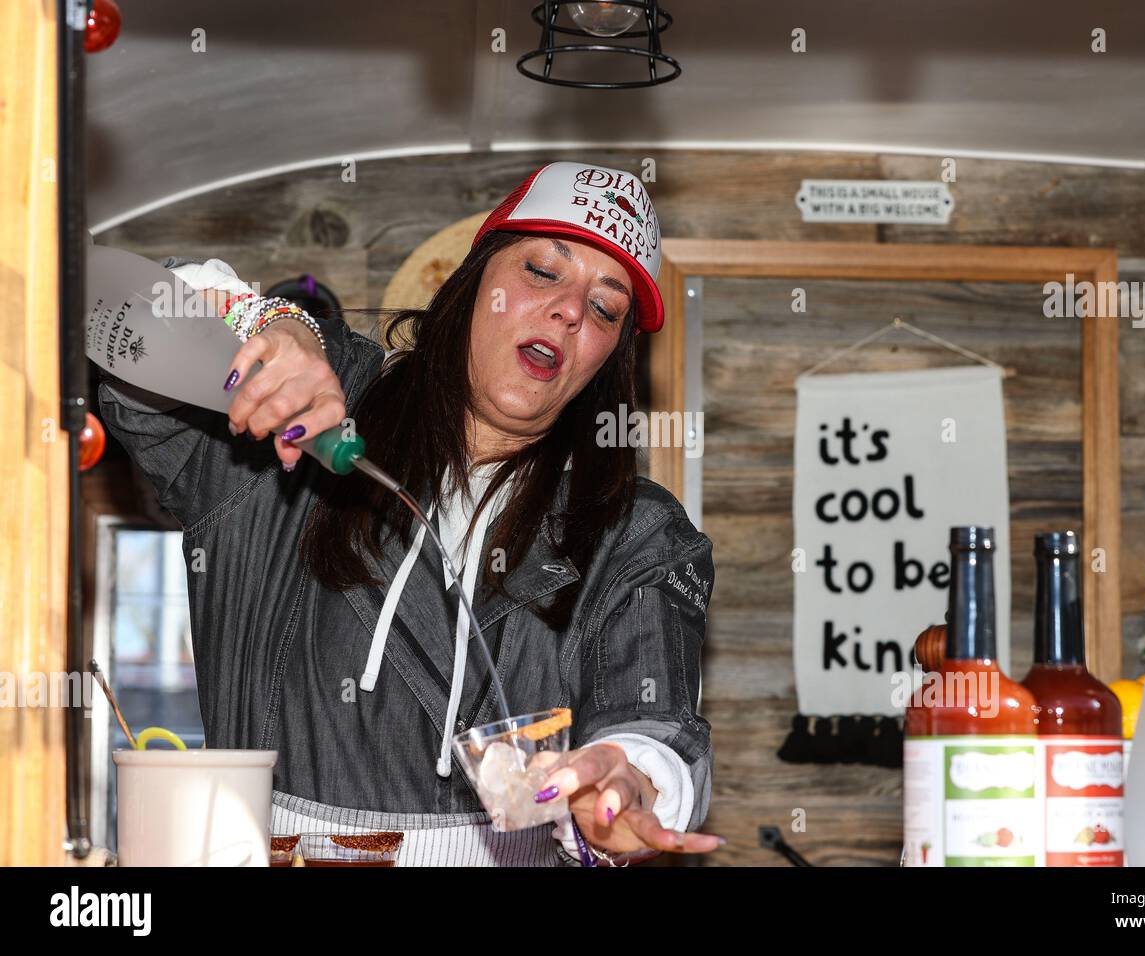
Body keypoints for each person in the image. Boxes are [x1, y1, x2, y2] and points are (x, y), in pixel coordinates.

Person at [98, 161, 724, 866]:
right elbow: (109, 314)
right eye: (543, 271)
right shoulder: (316, 402)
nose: (572, 309)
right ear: (470, 285)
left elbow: (654, 721)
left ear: (609, 360)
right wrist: (265, 322)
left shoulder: (633, 531)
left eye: (606, 309)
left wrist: (627, 776)